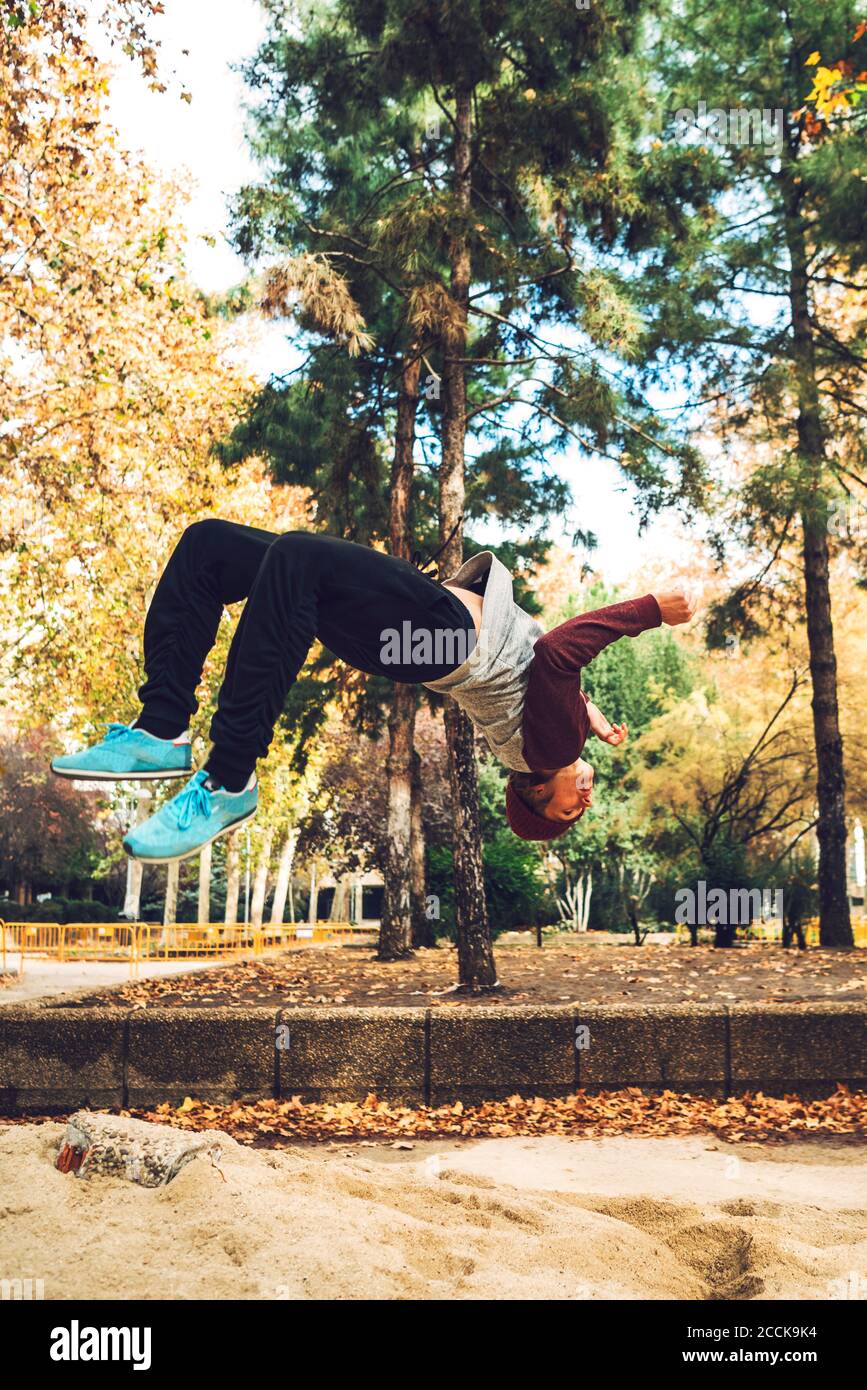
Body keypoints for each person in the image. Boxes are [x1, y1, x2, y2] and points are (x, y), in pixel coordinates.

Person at [51, 519, 697, 860]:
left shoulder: (550, 748)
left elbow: (556, 652)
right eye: (578, 810)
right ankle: (160, 730)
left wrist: (648, 610)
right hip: (415, 645)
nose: (582, 800)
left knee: (290, 557)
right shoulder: (539, 744)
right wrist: (587, 711)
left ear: (534, 793)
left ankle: (225, 778)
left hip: (440, 634)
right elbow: (538, 679)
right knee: (213, 549)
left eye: (566, 810)